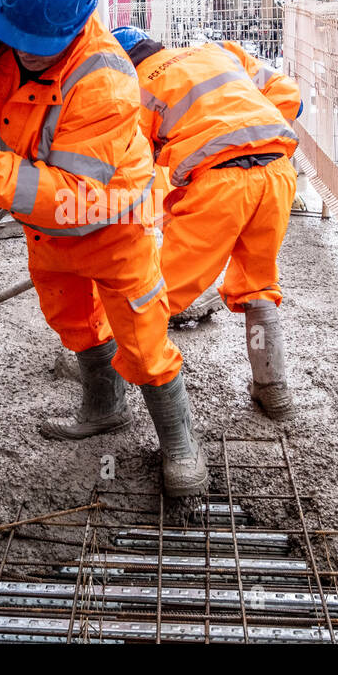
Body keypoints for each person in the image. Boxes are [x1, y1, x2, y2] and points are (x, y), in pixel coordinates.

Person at [0, 0, 208, 495]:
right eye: (16, 41)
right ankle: (103, 408)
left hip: (109, 223)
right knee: (71, 320)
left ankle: (178, 441)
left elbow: (73, 191)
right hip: (47, 225)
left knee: (141, 335)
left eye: (40, 46)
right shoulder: (10, 39)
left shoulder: (105, 81)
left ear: (78, 24)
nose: (28, 55)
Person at [112, 25, 301, 421]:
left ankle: (103, 367)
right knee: (258, 285)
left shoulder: (135, 91)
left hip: (219, 184)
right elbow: (289, 97)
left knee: (155, 292)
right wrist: (247, 136)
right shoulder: (218, 52)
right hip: (278, 173)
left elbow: (131, 169)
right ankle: (274, 391)